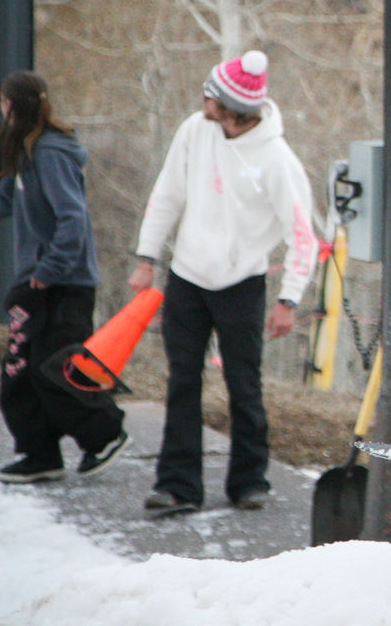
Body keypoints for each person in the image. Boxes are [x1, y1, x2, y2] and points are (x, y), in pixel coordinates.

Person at [128, 50, 318, 515]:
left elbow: (303, 237)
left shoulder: (277, 159)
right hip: (188, 278)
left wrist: (289, 299)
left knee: (243, 384)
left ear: (233, 110)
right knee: (182, 382)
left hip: (242, 286)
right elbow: (167, 193)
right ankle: (177, 485)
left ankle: (250, 480)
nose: (203, 100)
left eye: (210, 95)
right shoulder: (196, 131)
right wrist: (147, 256)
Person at [0, 72, 129, 483]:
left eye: (3, 103)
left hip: (63, 284)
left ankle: (106, 434)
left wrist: (49, 272)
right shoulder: (29, 154)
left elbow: (73, 218)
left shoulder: (51, 152)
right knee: (20, 372)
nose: (1, 110)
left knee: (57, 369)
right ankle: (39, 453)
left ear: (12, 104)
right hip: (41, 281)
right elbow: (2, 201)